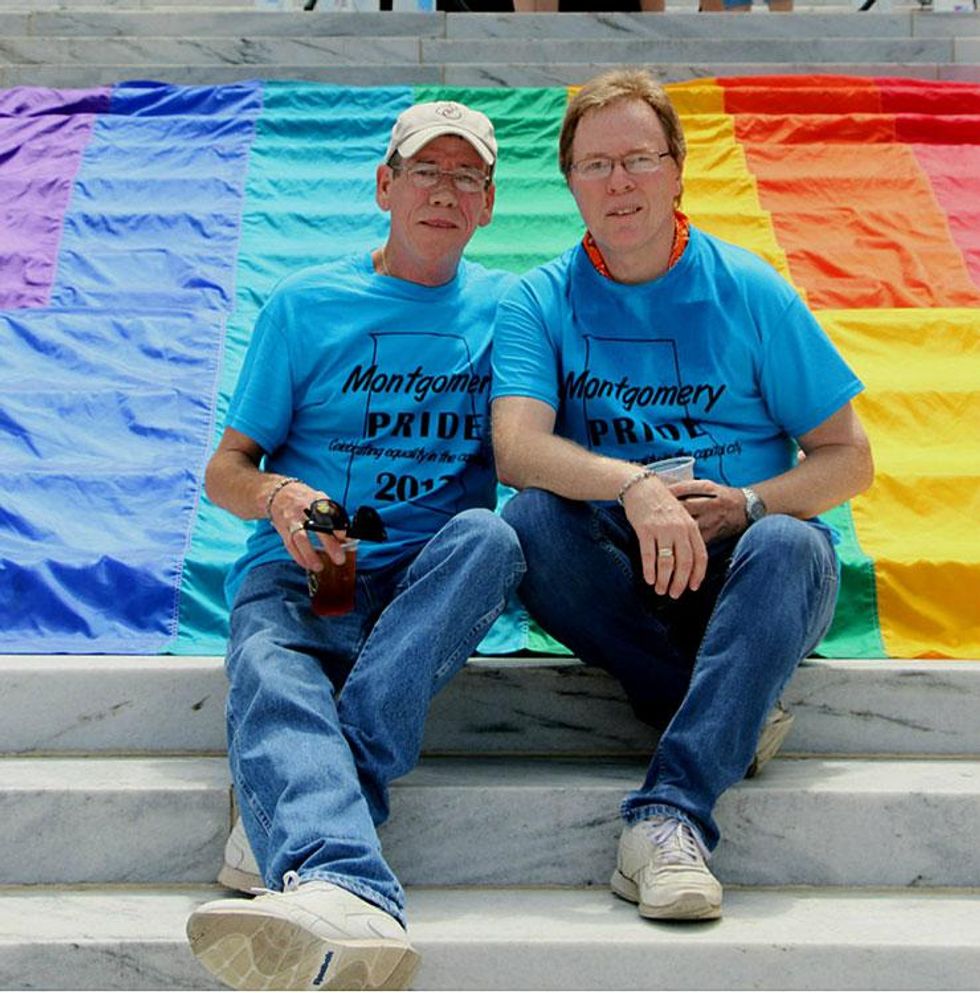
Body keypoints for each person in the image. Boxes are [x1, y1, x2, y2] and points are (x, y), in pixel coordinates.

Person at [490, 68, 873, 922]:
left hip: (746, 570)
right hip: (623, 573)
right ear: (569, 182)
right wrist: (634, 487)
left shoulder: (752, 288)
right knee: (529, 522)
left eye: (638, 159)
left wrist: (749, 503)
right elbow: (516, 448)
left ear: (677, 168)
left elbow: (849, 460)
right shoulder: (537, 299)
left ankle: (668, 816)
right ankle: (720, 703)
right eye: (596, 165)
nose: (618, 183)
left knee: (796, 542)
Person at [186, 99, 525, 991]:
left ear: (488, 205)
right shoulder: (303, 304)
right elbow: (224, 470)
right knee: (270, 664)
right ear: (385, 185)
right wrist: (280, 495)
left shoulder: (511, 310)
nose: (444, 192)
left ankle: (296, 799)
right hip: (301, 574)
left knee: (494, 535)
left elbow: (538, 447)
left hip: (421, 589)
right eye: (425, 170)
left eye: (466, 177)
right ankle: (345, 879)